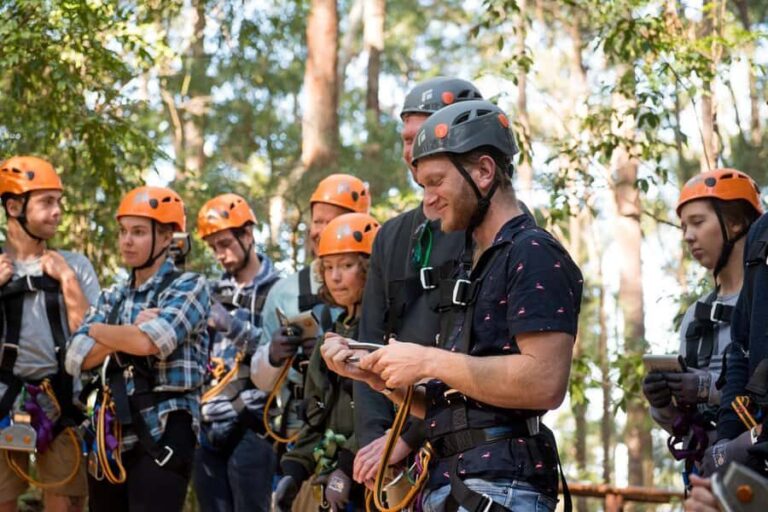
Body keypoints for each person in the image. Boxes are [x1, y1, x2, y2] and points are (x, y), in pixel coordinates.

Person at [322, 100, 583, 511]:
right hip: (453, 482)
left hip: (501, 486)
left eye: (436, 182)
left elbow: (545, 382)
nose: (428, 200)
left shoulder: (531, 252)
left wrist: (428, 360)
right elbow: (456, 406)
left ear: (483, 171)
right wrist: (378, 378)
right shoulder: (474, 265)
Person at [352, 77, 482, 487]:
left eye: (420, 136)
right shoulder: (392, 236)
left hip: (470, 445)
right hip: (394, 454)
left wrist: (407, 438)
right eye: (406, 139)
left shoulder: (494, 230)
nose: (411, 152)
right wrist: (376, 444)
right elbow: (370, 341)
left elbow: (486, 351)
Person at [65, 186, 210, 512]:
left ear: (166, 237)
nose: (127, 241)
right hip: (111, 430)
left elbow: (151, 342)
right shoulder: (111, 296)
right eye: (123, 231)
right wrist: (128, 330)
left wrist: (99, 332)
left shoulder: (189, 286)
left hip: (165, 425)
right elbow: (75, 357)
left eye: (139, 232)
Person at [642, 169, 762, 479]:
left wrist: (706, 388)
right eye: (684, 227)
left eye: (697, 222)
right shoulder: (696, 317)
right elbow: (685, 428)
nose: (687, 236)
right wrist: (663, 405)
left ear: (735, 222)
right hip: (706, 479)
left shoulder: (761, 305)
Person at [0, 156, 99, 512]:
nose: (57, 211)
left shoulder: (75, 265)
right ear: (14, 207)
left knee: (65, 500)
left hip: (59, 400)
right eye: (46, 202)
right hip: (2, 397)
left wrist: (67, 279)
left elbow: (91, 336)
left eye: (59, 201)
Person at [274, 212, 380, 512]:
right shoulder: (331, 338)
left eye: (346, 265)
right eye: (328, 267)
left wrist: (346, 467)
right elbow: (317, 415)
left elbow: (385, 413)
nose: (335, 277)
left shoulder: (385, 336)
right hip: (334, 476)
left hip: (375, 477)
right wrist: (294, 470)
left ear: (370, 268)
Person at [193, 194, 281, 512]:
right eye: (213, 247)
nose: (220, 254)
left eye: (225, 243)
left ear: (248, 234)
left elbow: (278, 352)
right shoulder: (211, 291)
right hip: (207, 427)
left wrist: (231, 325)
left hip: (253, 426)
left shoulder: (278, 289)